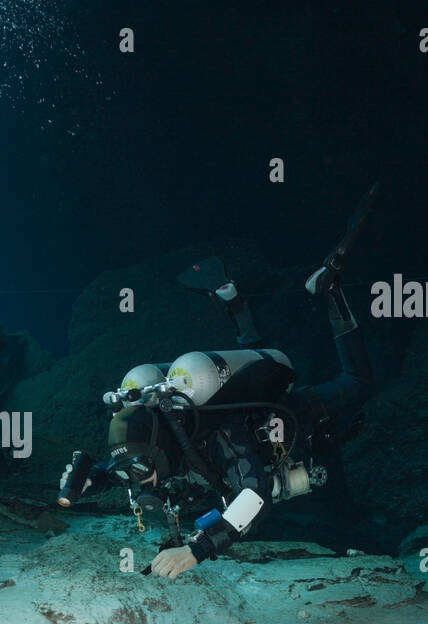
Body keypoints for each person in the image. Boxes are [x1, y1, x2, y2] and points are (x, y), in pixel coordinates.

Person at [57, 185, 379, 579]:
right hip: (253, 396)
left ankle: (331, 292)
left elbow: (256, 494)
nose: (137, 482)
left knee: (358, 382)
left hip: (294, 413)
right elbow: (120, 465)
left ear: (156, 450)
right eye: (131, 472)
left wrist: (196, 551)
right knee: (259, 350)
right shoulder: (154, 437)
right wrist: (87, 481)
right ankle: (234, 302)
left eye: (138, 471)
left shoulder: (220, 434)